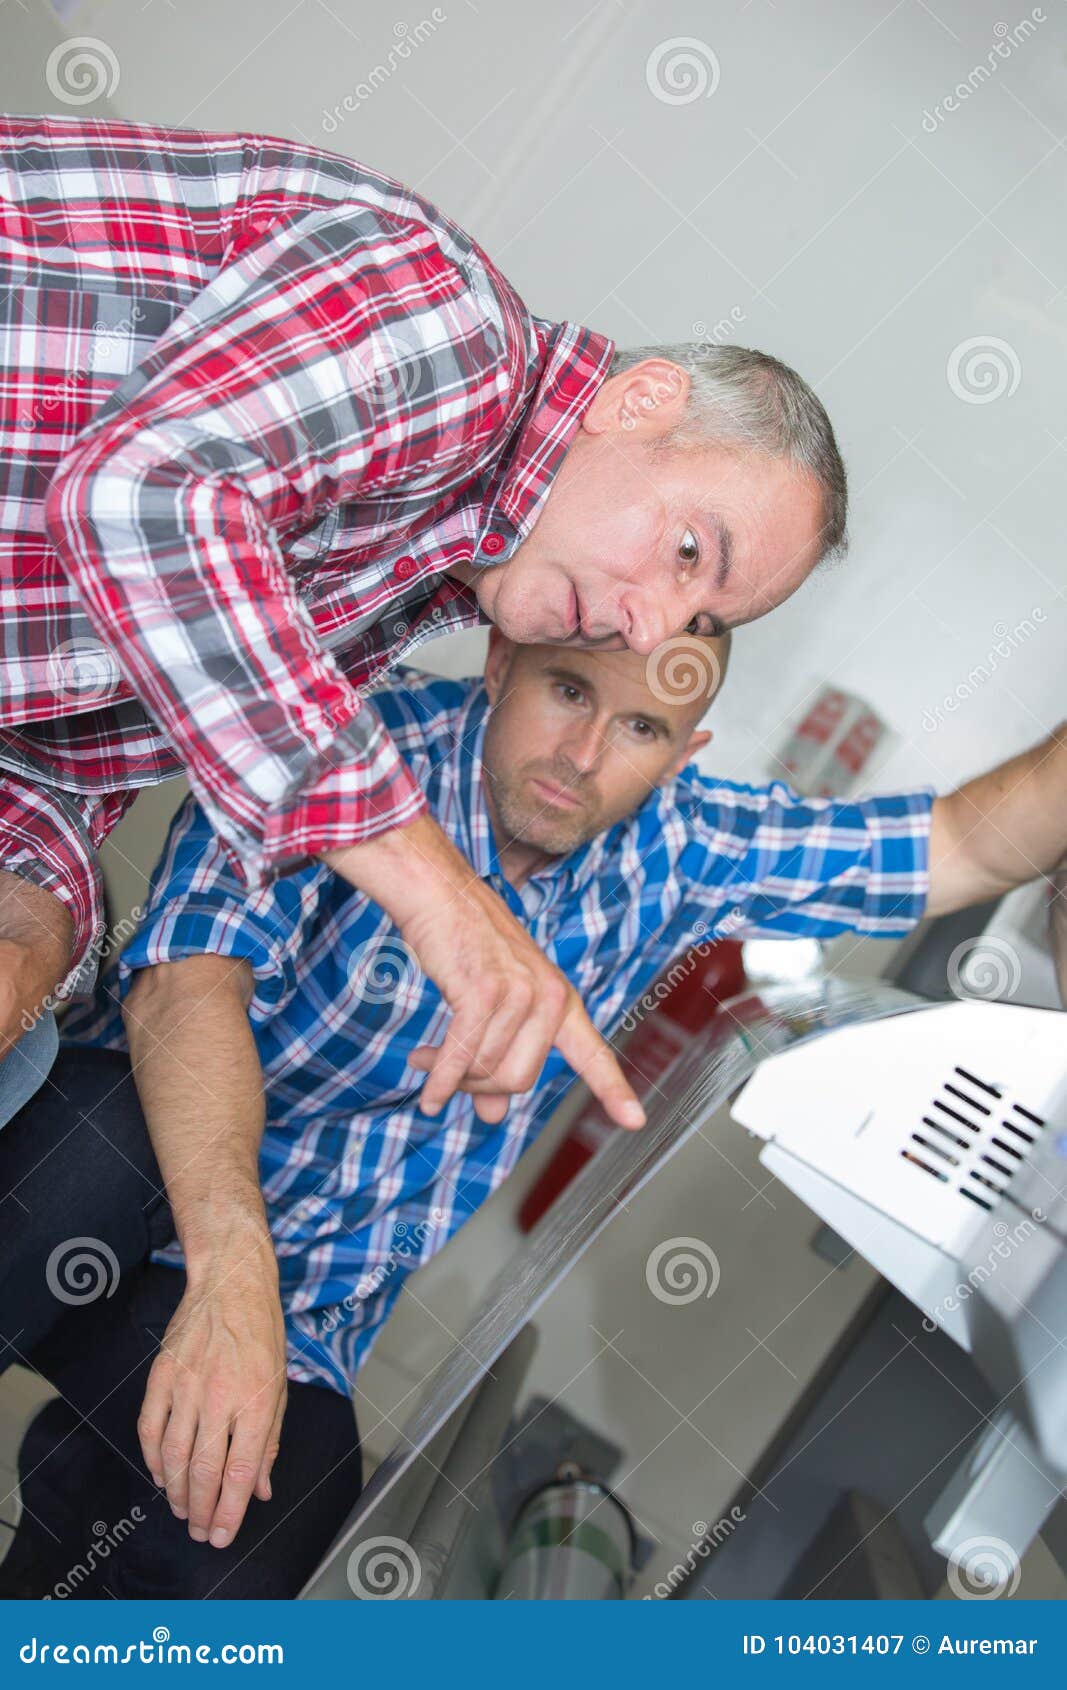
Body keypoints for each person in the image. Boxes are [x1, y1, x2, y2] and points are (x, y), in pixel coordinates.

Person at [1, 631, 1064, 1599]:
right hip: (127, 1201)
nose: (584, 754)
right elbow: (184, 984)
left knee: (252, 1529)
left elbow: (964, 843)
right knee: (85, 1156)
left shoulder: (676, 848)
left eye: (640, 728)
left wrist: (251, 1310)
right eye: (567, 691)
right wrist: (229, 1270)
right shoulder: (354, 738)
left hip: (297, 1318)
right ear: (501, 662)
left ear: (682, 751)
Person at [0, 110, 846, 1129]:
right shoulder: (453, 330)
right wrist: (435, 890)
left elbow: (60, 766)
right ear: (637, 403)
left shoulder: (403, 590)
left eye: (695, 615)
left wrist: (34, 927)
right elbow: (145, 498)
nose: (645, 626)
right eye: (685, 552)